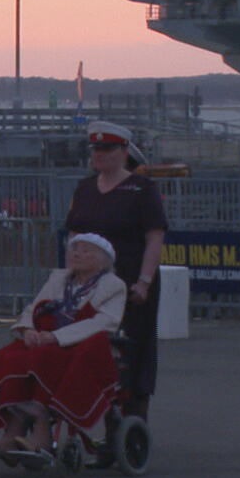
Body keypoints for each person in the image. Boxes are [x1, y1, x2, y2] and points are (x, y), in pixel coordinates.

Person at [0, 233, 126, 452]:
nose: (77, 253)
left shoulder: (113, 285)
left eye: (86, 250)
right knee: (6, 357)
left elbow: (103, 323)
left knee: (42, 357)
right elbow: (34, 308)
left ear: (103, 261)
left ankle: (41, 428)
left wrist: (55, 337)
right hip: (45, 339)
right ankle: (13, 431)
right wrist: (28, 330)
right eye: (74, 249)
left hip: (79, 345)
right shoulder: (59, 278)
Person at [63, 120, 168, 418]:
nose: (99, 155)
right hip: (90, 285)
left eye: (107, 149)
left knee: (132, 351)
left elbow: (154, 236)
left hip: (129, 284)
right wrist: (70, 274)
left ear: (124, 152)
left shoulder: (141, 189)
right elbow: (74, 235)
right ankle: (100, 417)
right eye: (96, 149)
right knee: (92, 349)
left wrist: (144, 282)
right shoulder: (85, 189)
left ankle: (133, 420)